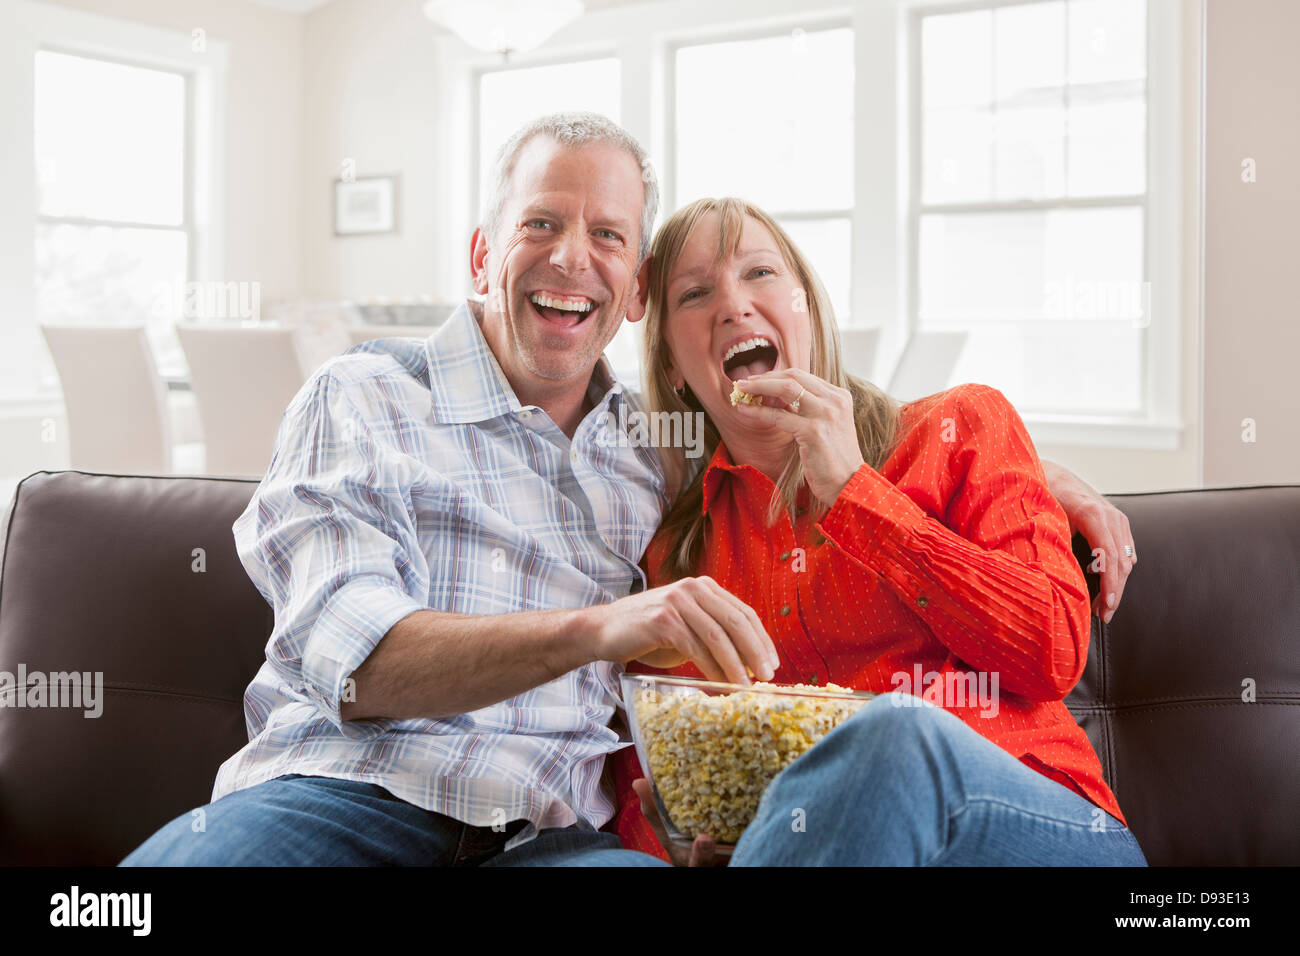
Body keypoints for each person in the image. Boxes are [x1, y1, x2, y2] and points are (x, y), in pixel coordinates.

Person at [118, 112, 1135, 867]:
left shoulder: (705, 454)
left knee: (891, 737)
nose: (573, 255)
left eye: (609, 234)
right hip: (354, 799)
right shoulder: (396, 407)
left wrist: (1014, 479)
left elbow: (1038, 634)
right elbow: (372, 667)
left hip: (988, 814)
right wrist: (668, 801)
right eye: (695, 291)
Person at [611, 196, 1147, 867]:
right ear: (669, 366)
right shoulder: (677, 558)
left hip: (1035, 826)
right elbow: (651, 782)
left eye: (759, 274)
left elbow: (1052, 650)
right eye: (695, 293)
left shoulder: (960, 428)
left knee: (891, 736)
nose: (733, 306)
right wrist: (694, 839)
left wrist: (857, 498)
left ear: (806, 308)